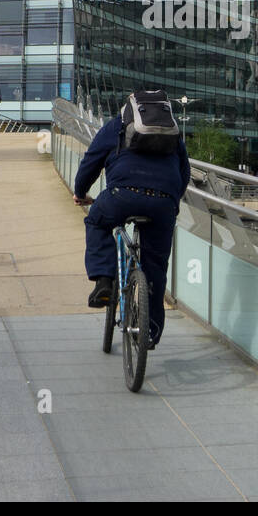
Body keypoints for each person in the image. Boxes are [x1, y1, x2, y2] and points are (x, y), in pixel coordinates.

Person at [72, 92, 190, 349]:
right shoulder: (172, 131)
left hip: (122, 196)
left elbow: (91, 161)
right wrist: (172, 201)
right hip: (163, 201)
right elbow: (184, 172)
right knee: (155, 268)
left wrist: (80, 192)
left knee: (96, 222)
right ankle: (149, 332)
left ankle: (104, 280)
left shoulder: (116, 126)